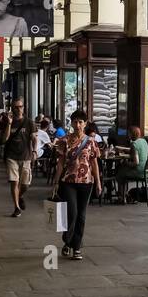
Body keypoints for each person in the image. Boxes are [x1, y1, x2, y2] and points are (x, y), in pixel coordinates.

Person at [51, 110, 103, 260]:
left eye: (81, 122)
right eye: (75, 122)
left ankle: (77, 247)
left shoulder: (91, 141)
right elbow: (60, 162)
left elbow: (94, 162)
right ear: (71, 123)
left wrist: (98, 182)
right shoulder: (64, 140)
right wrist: (56, 181)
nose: (78, 125)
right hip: (68, 182)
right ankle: (67, 240)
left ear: (85, 124)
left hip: (86, 182)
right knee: (72, 213)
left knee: (82, 215)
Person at [0, 99, 36, 217]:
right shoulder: (7, 122)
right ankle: (16, 207)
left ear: (23, 107)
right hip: (11, 156)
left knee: (25, 184)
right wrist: (9, 124)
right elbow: (4, 139)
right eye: (15, 107)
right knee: (14, 182)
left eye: (20, 106)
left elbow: (34, 138)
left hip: (25, 156)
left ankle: (20, 195)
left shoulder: (29, 122)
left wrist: (34, 150)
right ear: (12, 108)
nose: (18, 109)